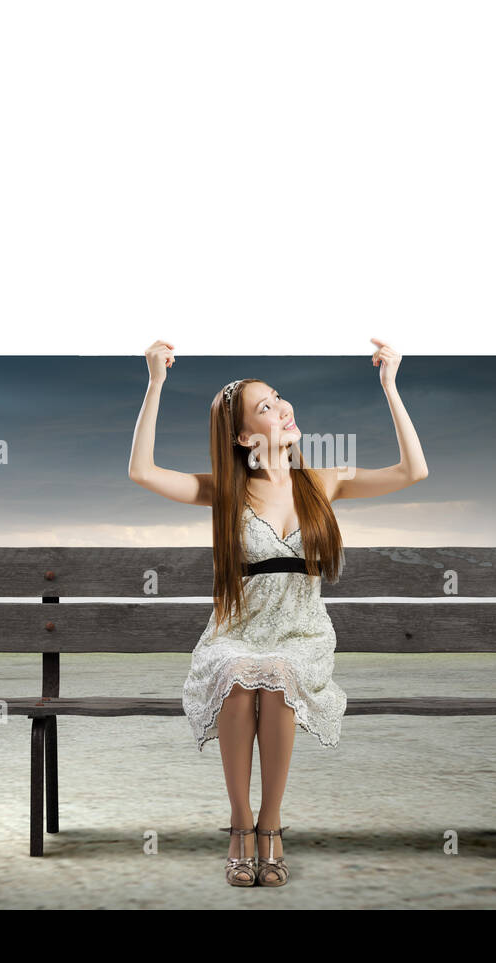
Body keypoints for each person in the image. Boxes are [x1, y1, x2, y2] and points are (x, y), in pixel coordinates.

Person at [127, 338, 429, 886]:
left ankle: (271, 825)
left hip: (300, 632)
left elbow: (413, 470)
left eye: (280, 399)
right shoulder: (224, 490)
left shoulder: (324, 482)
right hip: (237, 631)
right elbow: (143, 472)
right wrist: (155, 384)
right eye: (265, 408)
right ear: (243, 437)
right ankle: (241, 824)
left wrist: (391, 385)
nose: (283, 409)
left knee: (280, 675)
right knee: (241, 674)